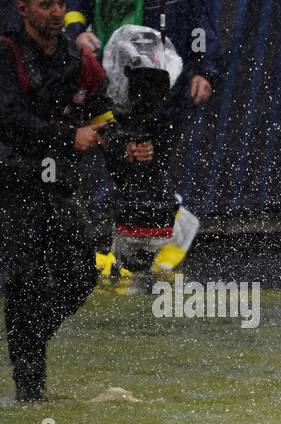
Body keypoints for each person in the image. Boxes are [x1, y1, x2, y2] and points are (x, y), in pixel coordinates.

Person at [0, 0, 133, 401]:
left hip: (59, 188)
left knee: (80, 274)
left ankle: (29, 345)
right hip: (13, 186)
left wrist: (125, 144)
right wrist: (67, 136)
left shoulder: (80, 59)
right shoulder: (6, 53)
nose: (56, 12)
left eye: (60, 3)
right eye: (45, 5)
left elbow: (101, 114)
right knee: (22, 286)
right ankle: (29, 390)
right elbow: (7, 118)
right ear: (23, 8)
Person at [63, 0, 221, 281]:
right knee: (122, 165)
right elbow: (76, 6)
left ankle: (138, 254)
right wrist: (77, 32)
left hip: (168, 87)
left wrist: (204, 70)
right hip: (114, 81)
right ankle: (167, 227)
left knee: (148, 167)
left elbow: (202, 25)